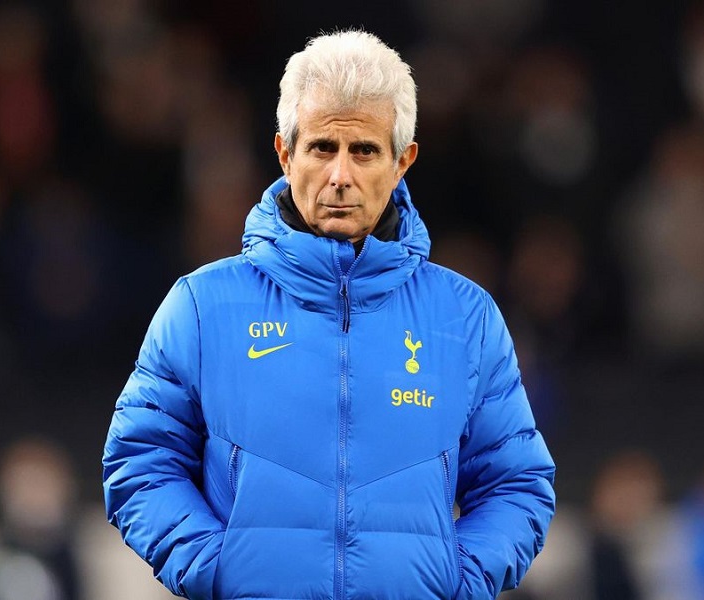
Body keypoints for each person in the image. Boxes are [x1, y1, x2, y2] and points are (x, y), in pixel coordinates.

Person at [102, 29, 556, 599]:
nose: (341, 175)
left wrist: (457, 582)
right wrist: (218, 571)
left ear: (402, 162)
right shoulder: (202, 306)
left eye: (364, 150)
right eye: (322, 148)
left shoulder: (465, 319)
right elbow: (140, 461)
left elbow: (517, 484)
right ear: (285, 154)